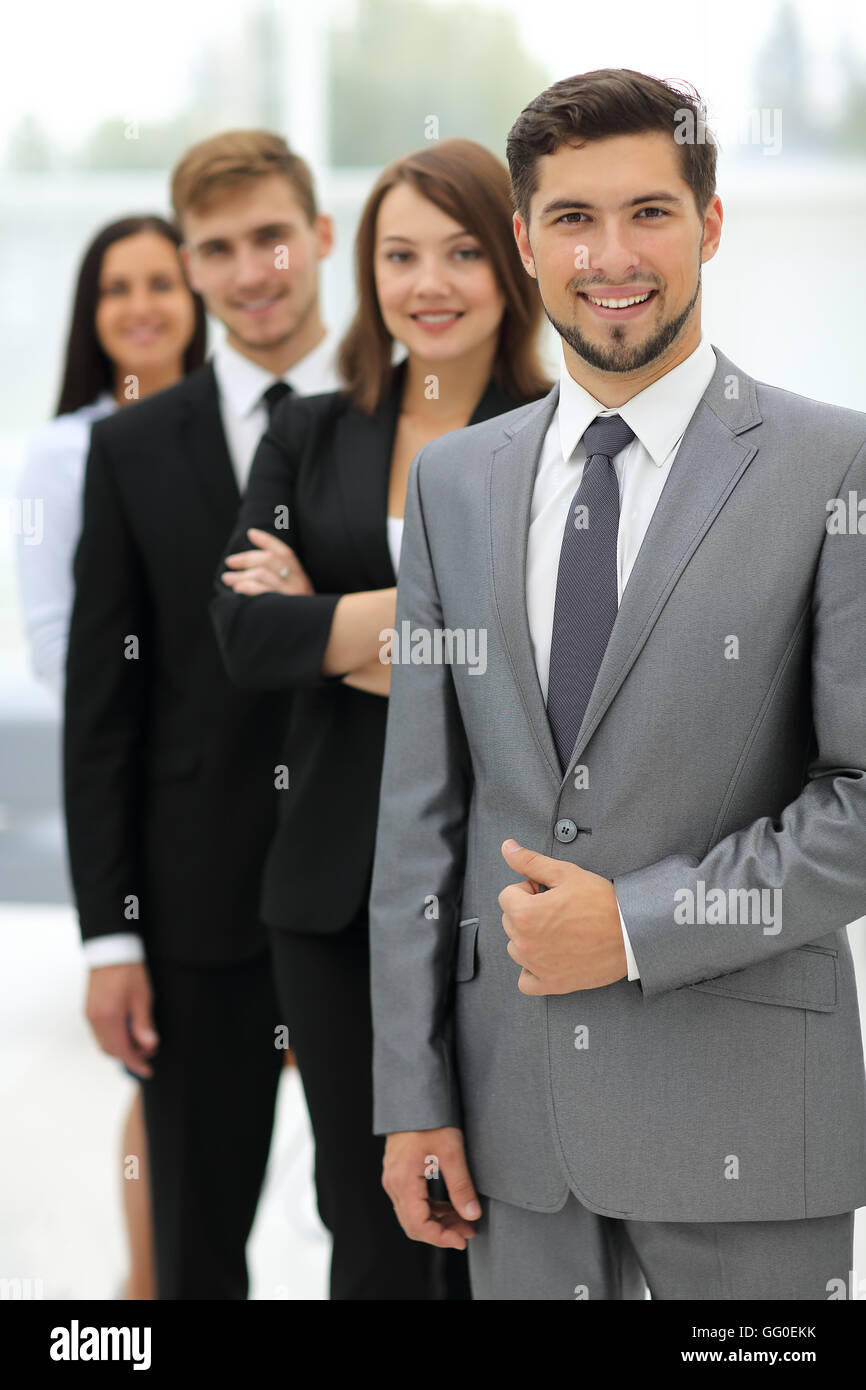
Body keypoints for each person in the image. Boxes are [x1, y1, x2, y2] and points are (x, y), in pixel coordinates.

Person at [368, 68, 866, 1300]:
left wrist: (640, 925)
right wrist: (410, 1094)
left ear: (706, 222)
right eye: (572, 220)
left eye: (647, 212)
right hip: (510, 1129)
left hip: (748, 1128)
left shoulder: (831, 463)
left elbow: (858, 798)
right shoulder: (454, 486)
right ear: (527, 244)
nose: (611, 256)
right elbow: (420, 820)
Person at [210, 137, 551, 1299]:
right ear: (365, 269)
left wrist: (332, 632)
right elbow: (245, 639)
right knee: (363, 1217)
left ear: (510, 261)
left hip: (502, 896)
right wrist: (436, 642)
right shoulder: (308, 433)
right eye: (398, 253)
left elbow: (544, 669)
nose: (428, 282)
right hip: (332, 894)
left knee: (491, 1215)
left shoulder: (561, 435)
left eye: (460, 250)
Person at [63, 130, 341, 1299]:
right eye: (217, 249)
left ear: (322, 237)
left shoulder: (407, 422)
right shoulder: (130, 447)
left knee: (395, 1231)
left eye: (272, 236)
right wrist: (110, 936)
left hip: (368, 894)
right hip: (190, 904)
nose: (251, 271)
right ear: (189, 265)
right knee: (192, 1241)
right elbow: (104, 707)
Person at [16, 214, 207, 1300]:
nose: (140, 304)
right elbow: (58, 648)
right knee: (172, 1082)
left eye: (160, 281)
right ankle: (147, 1290)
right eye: (114, 287)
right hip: (149, 797)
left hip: (268, 803)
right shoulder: (63, 451)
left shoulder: (254, 429)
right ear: (92, 317)